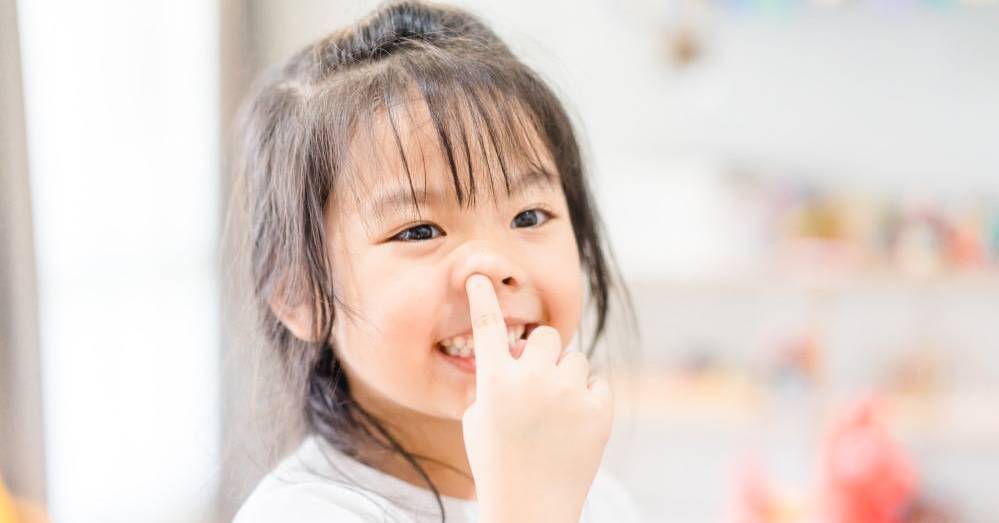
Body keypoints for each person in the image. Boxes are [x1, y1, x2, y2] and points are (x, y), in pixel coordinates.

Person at [231, 2, 639, 521]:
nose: (492, 263)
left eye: (529, 216)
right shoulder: (300, 513)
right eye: (419, 231)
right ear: (299, 295)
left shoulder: (596, 497)